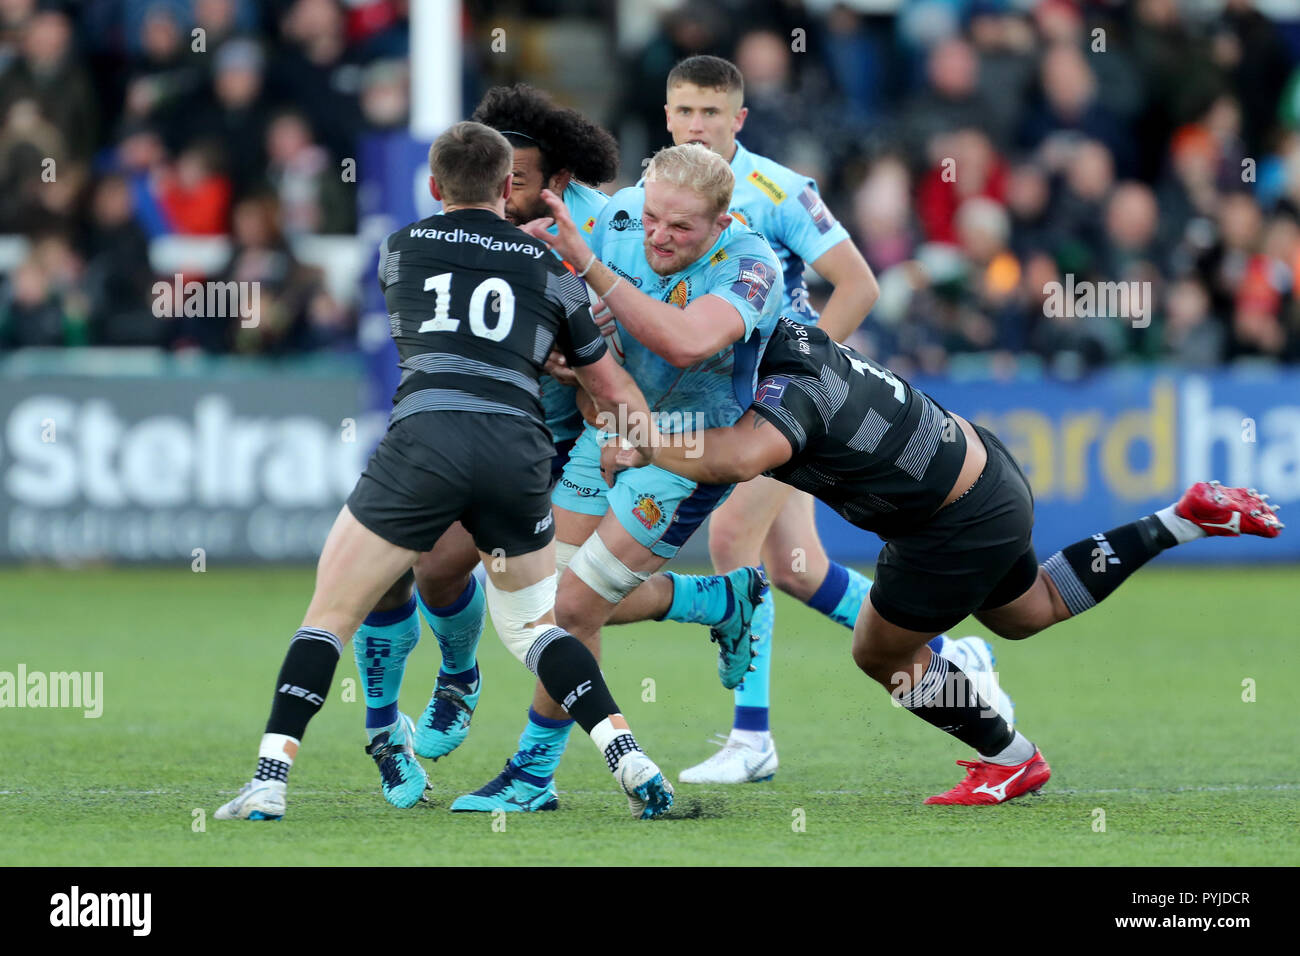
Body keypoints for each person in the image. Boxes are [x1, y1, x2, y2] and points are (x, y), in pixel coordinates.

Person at [605, 316, 1283, 804]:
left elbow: (738, 457)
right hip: (985, 475)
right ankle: (1182, 518)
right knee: (1027, 611)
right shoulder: (791, 335)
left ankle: (1010, 757)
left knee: (878, 653)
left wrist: (638, 436)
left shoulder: (788, 392)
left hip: (948, 524)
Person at [215, 121, 675, 822]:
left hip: (426, 441)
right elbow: (611, 390)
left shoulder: (397, 251)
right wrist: (632, 441)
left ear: (433, 188)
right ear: (505, 187)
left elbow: (436, 327)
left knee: (330, 616)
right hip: (518, 454)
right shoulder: (554, 269)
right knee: (535, 630)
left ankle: (271, 780)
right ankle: (628, 754)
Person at [653, 55, 1006, 785]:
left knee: (730, 535)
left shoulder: (779, 189)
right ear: (666, 116)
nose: (697, 125)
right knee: (796, 567)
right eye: (685, 111)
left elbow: (859, 283)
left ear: (737, 120)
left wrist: (809, 384)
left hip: (784, 407)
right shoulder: (654, 194)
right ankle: (952, 657)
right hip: (719, 401)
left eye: (711, 113)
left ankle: (752, 738)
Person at [450, 142, 784, 813]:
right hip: (610, 427)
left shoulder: (752, 266)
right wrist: (563, 358)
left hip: (691, 451)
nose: (657, 234)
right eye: (653, 215)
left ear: (722, 224)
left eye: (681, 227)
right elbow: (571, 309)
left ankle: (532, 773)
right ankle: (720, 601)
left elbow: (685, 343)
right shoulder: (623, 214)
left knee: (571, 610)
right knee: (535, 599)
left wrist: (592, 267)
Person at [347, 86, 624, 807]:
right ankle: (461, 675)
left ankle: (535, 772)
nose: (512, 195)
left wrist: (590, 387)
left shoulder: (608, 240)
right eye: (511, 182)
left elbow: (623, 379)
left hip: (594, 435)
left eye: (524, 183)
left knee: (564, 608)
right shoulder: (477, 243)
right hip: (511, 431)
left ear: (552, 185)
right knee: (437, 570)